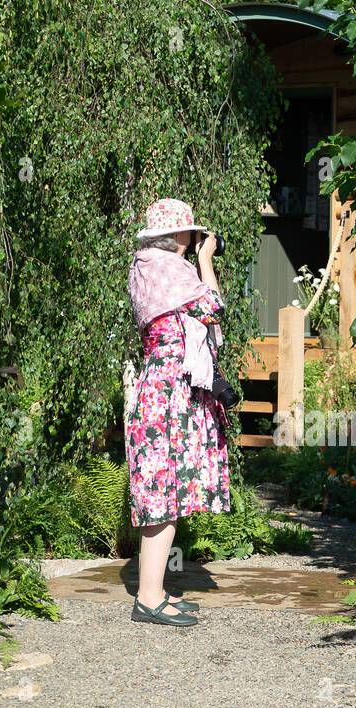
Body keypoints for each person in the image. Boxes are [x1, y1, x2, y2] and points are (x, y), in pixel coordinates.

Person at [124, 198, 231, 627]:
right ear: (177, 237)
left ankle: (157, 592)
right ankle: (149, 599)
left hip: (164, 384)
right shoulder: (169, 268)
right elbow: (214, 309)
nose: (196, 239)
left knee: (166, 494)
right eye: (192, 233)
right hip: (170, 389)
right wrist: (206, 259)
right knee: (163, 495)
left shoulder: (147, 265)